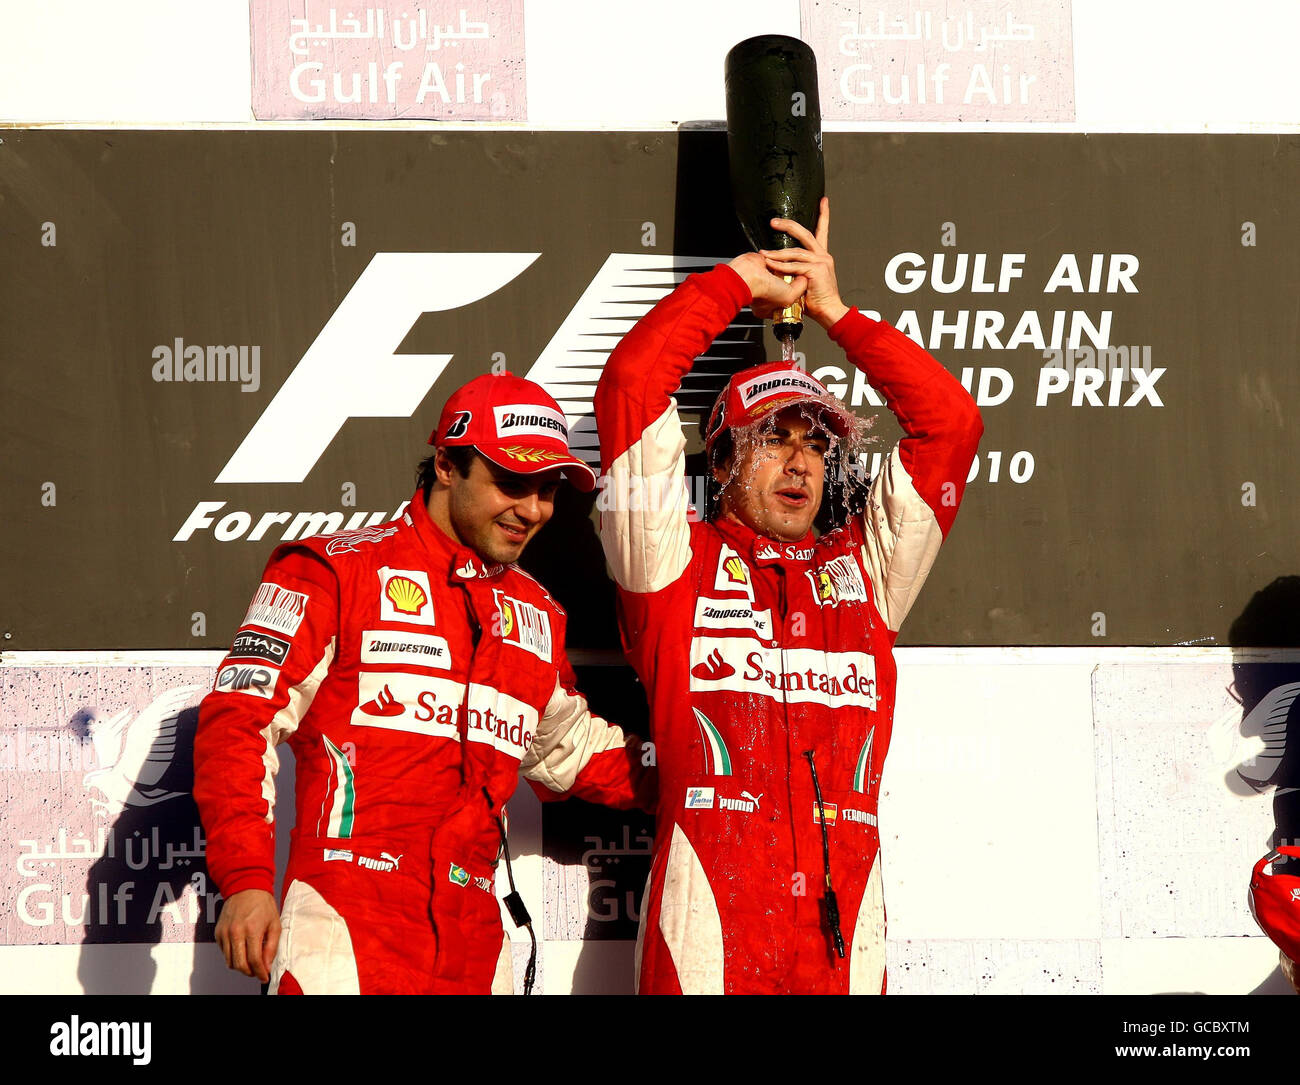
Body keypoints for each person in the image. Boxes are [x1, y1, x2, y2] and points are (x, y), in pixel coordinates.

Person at [594, 198, 983, 994]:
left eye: (816, 443)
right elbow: (633, 385)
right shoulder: (669, 563)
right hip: (707, 940)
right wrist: (740, 282)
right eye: (775, 438)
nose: (800, 463)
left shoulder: (867, 571)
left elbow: (951, 425)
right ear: (725, 458)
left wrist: (837, 312)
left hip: (842, 948)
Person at [193, 373, 655, 994]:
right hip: (346, 926)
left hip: (473, 939)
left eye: (547, 490)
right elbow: (237, 724)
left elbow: (570, 749)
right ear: (445, 463)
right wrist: (247, 878)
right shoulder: (334, 571)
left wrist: (702, 774)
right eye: (511, 484)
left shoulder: (537, 614)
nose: (533, 509)